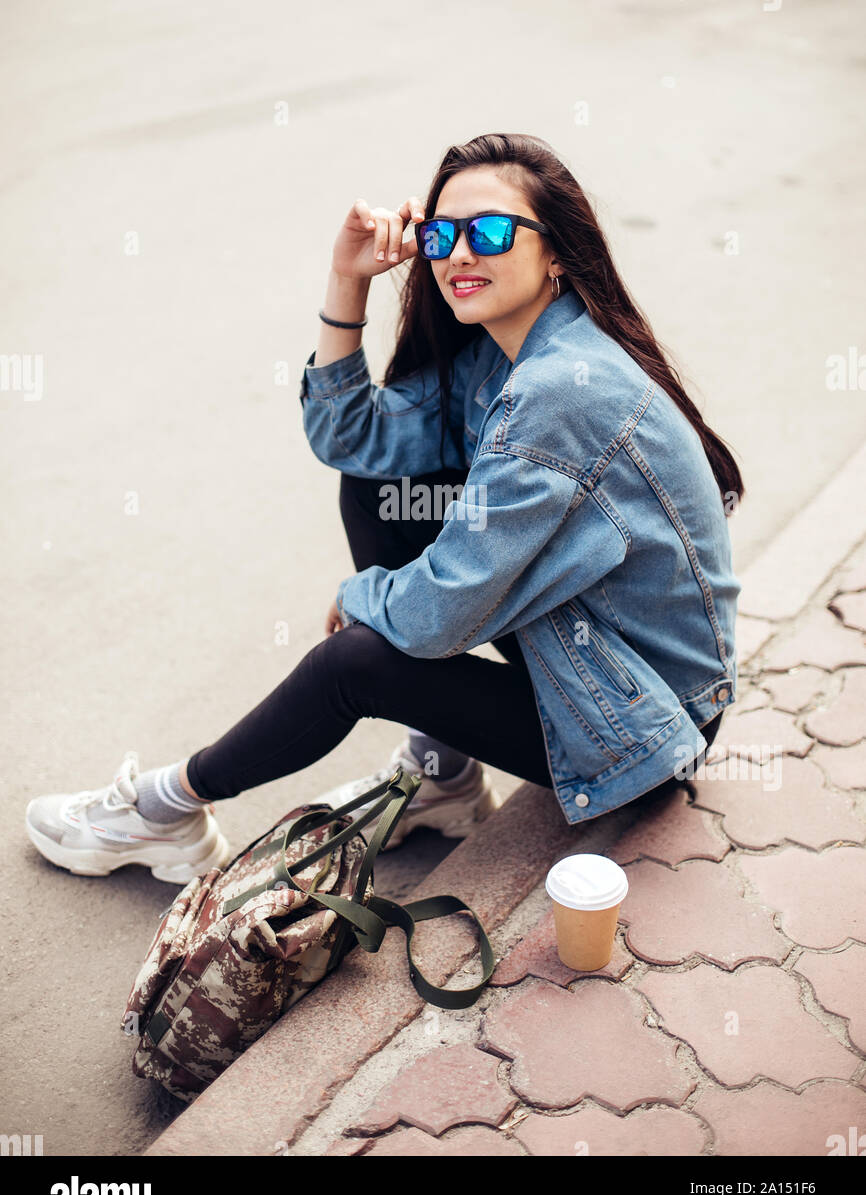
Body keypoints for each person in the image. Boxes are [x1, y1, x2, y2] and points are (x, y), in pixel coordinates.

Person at [25, 132, 743, 883]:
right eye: (442, 234)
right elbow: (351, 437)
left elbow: (435, 617)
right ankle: (445, 775)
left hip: (640, 725)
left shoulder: (560, 391)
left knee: (356, 662)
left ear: (557, 252)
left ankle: (164, 808)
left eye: (491, 232)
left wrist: (361, 597)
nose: (460, 253)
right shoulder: (504, 353)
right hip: (590, 655)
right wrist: (349, 280)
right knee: (379, 488)